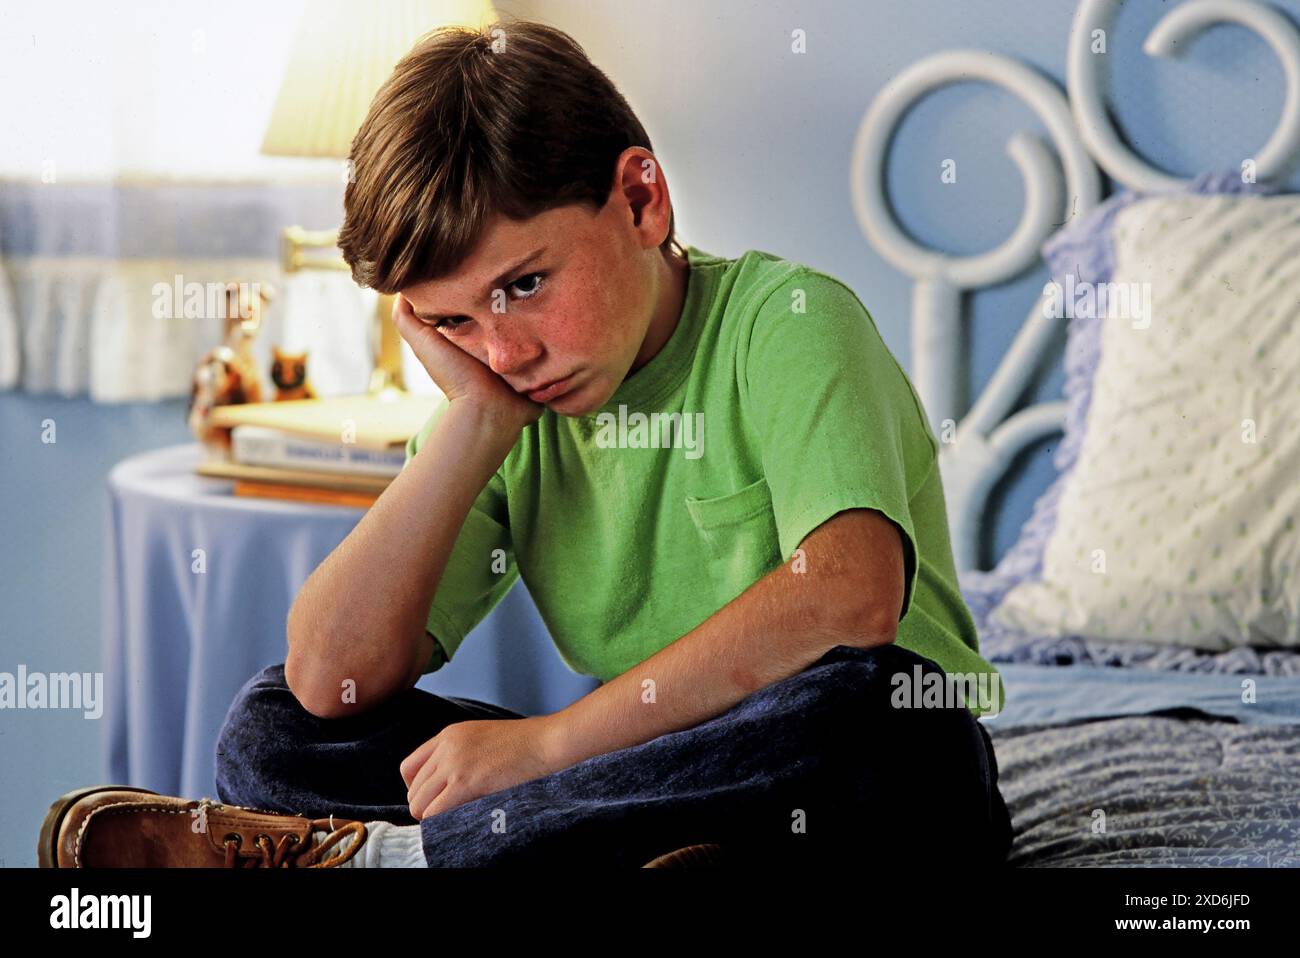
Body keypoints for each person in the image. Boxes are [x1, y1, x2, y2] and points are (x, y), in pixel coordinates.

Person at [40, 17, 1012, 869]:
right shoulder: (507, 397)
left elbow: (846, 597)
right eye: (451, 322)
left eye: (525, 285)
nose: (503, 348)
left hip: (862, 773)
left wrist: (549, 749)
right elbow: (331, 675)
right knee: (275, 729)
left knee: (880, 711)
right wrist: (473, 422)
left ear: (641, 200)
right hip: (639, 788)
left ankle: (398, 863)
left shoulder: (787, 320)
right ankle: (602, 855)